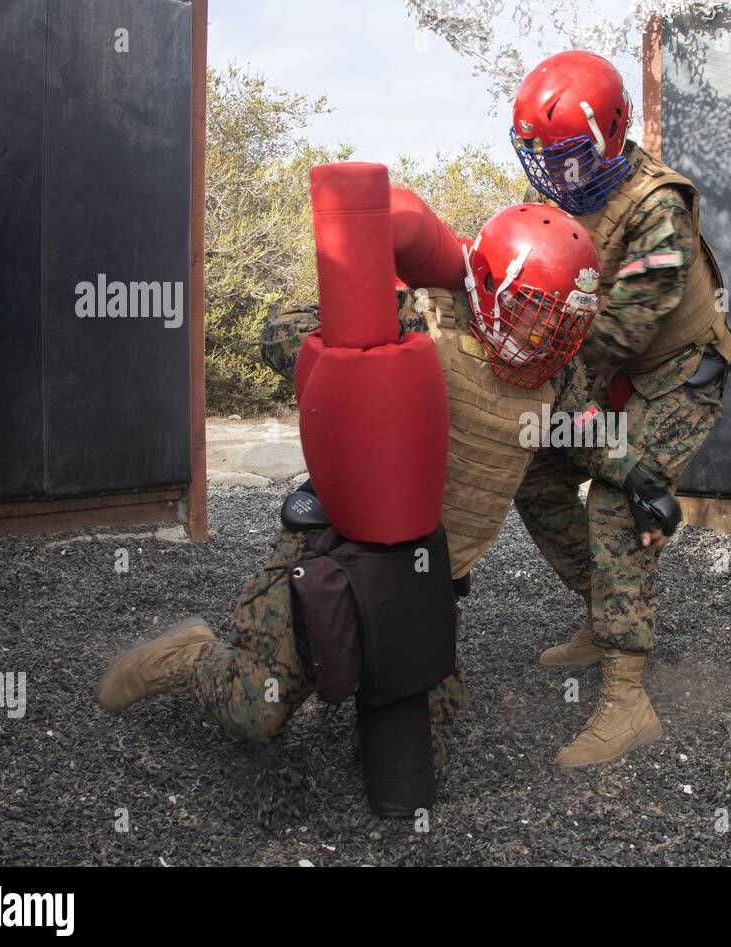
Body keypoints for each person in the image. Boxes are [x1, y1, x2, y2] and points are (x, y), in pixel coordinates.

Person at [97, 201, 601, 777]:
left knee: (410, 765)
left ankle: (355, 666)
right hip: (335, 550)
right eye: (530, 312)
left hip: (424, 581)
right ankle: (186, 655)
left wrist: (639, 477)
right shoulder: (423, 317)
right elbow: (279, 335)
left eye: (560, 321)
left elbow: (586, 431)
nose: (541, 335)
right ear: (487, 286)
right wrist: (355, 340)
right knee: (253, 714)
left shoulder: (555, 370)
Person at [506, 51, 731, 768]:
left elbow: (616, 334)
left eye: (569, 159)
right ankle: (606, 618)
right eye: (546, 160)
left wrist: (538, 360)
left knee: (614, 499)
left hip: (676, 380)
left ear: (609, 136)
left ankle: (628, 700)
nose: (556, 176)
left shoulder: (658, 208)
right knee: (535, 474)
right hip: (613, 371)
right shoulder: (578, 189)